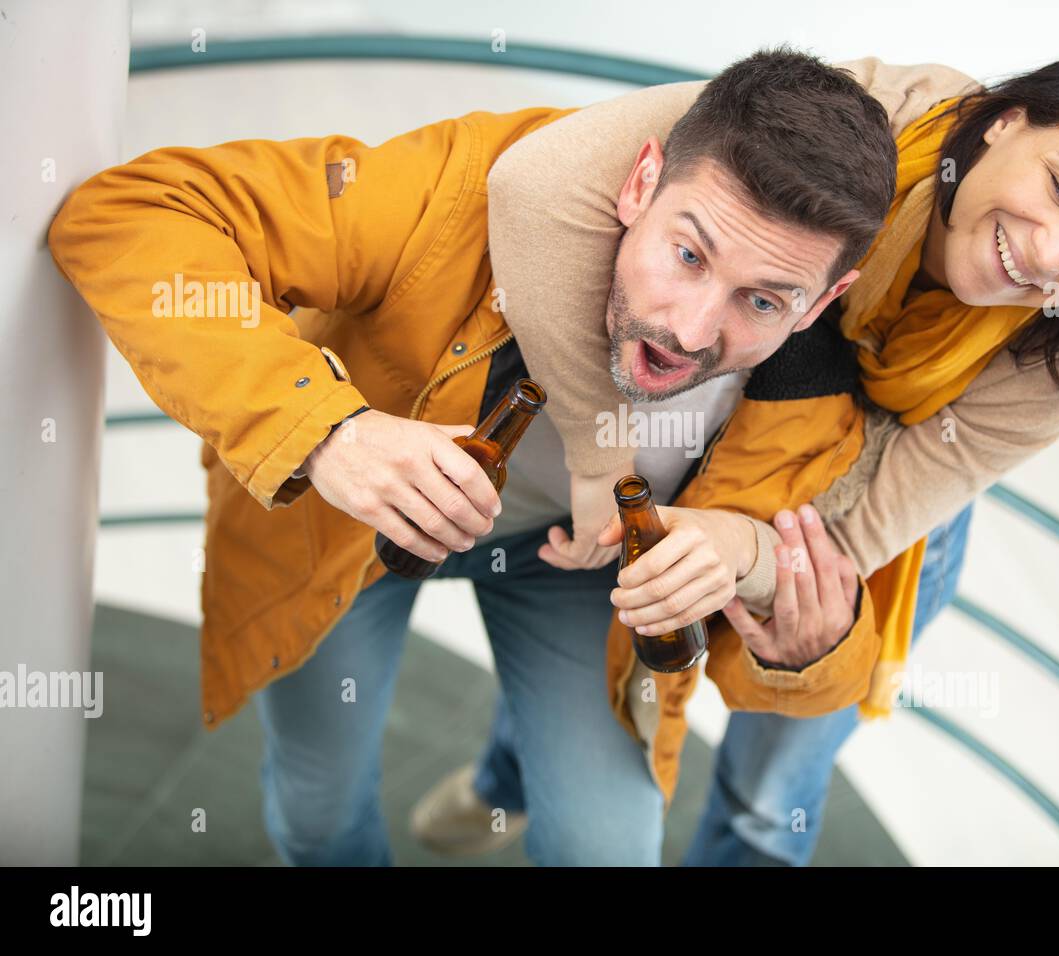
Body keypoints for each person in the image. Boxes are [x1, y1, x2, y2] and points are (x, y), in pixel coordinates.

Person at [47, 48, 906, 865]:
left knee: (608, 851)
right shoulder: (453, 198)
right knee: (317, 814)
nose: (688, 329)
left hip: (579, 574)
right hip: (351, 522)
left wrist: (804, 651)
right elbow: (126, 214)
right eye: (687, 254)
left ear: (820, 302)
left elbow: (768, 648)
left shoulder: (823, 393)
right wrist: (329, 433)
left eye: (761, 300)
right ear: (641, 181)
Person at [412, 41, 1059, 864]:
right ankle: (513, 781)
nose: (1053, 258)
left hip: (870, 522)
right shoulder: (877, 117)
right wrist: (601, 454)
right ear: (1004, 122)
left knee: (774, 790)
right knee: (608, 617)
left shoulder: (1054, 364)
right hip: (705, 445)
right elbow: (541, 184)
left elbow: (843, 543)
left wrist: (738, 551)